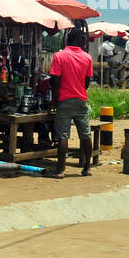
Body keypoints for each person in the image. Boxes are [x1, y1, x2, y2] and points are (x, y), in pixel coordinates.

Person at [45, 30, 95, 178]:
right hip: (81, 100)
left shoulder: (59, 56)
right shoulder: (87, 58)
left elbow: (55, 82)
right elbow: (86, 83)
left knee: (62, 136)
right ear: (81, 42)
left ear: (67, 40)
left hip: (64, 100)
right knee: (85, 135)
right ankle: (87, 168)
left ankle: (60, 170)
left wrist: (53, 103)